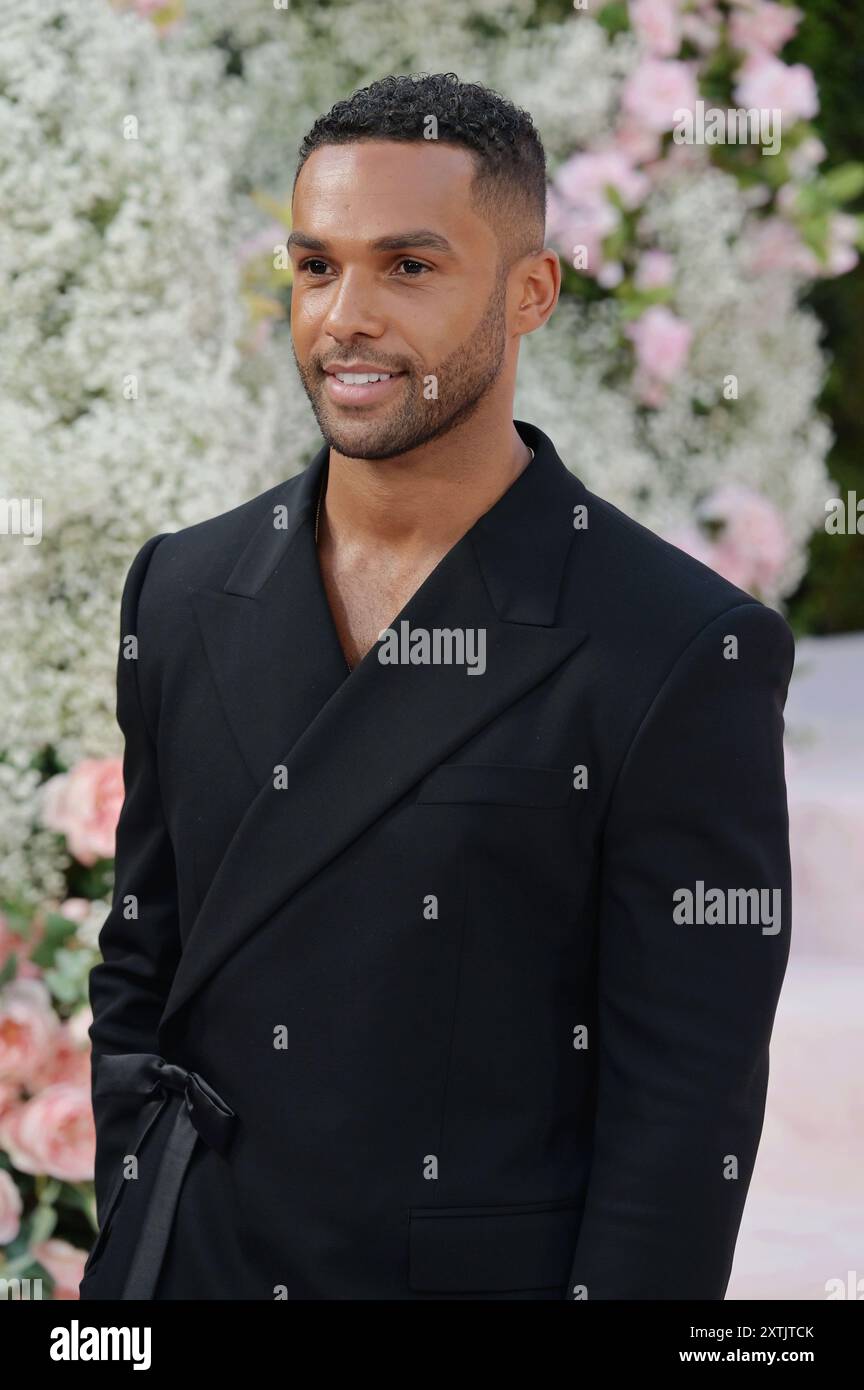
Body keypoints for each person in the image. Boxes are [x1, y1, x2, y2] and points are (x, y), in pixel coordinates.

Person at [79, 72, 794, 1301]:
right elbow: (142, 969)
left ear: (530, 293)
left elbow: (682, 1117)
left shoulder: (676, 647)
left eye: (408, 267)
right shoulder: (182, 589)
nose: (345, 316)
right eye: (316, 267)